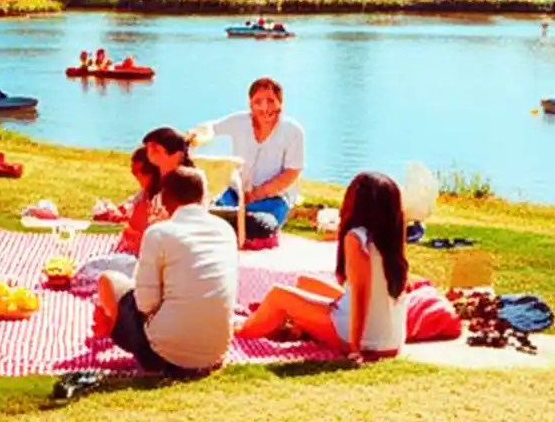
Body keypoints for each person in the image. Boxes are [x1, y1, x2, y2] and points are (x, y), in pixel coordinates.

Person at [236, 172, 409, 363]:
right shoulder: (389, 239)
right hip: (391, 340)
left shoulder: (356, 238)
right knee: (304, 283)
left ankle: (241, 329)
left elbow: (361, 293)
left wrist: (355, 348)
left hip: (365, 340)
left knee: (279, 296)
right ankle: (292, 325)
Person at [94, 167, 238, 376]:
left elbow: (145, 304)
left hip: (165, 353)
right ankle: (114, 327)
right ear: (204, 197)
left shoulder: (159, 233)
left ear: (164, 198)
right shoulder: (225, 230)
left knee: (108, 281)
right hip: (215, 352)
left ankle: (116, 333)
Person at [189, 77, 305, 240]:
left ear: (281, 103)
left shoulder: (293, 131)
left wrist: (257, 194)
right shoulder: (239, 121)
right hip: (235, 194)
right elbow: (211, 128)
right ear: (250, 104)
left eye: (271, 101)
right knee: (210, 221)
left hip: (273, 199)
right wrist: (195, 135)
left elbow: (291, 172)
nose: (265, 108)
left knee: (261, 227)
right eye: (258, 102)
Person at [117, 147, 167, 255]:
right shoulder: (146, 193)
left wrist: (127, 229)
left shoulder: (160, 203)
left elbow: (145, 242)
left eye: (136, 171)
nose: (132, 173)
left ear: (152, 174)